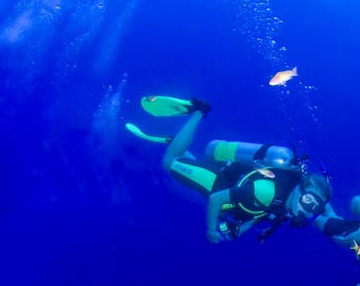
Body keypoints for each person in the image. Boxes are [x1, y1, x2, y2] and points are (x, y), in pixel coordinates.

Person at [126, 96, 332, 243]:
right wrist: (211, 230)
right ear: (301, 188)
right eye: (308, 200)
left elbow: (265, 213)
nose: (307, 209)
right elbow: (218, 199)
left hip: (230, 175)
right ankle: (198, 112)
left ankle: (177, 145)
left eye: (314, 207)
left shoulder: (289, 204)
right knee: (169, 162)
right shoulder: (266, 191)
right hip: (217, 182)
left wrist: (241, 228)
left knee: (194, 164)